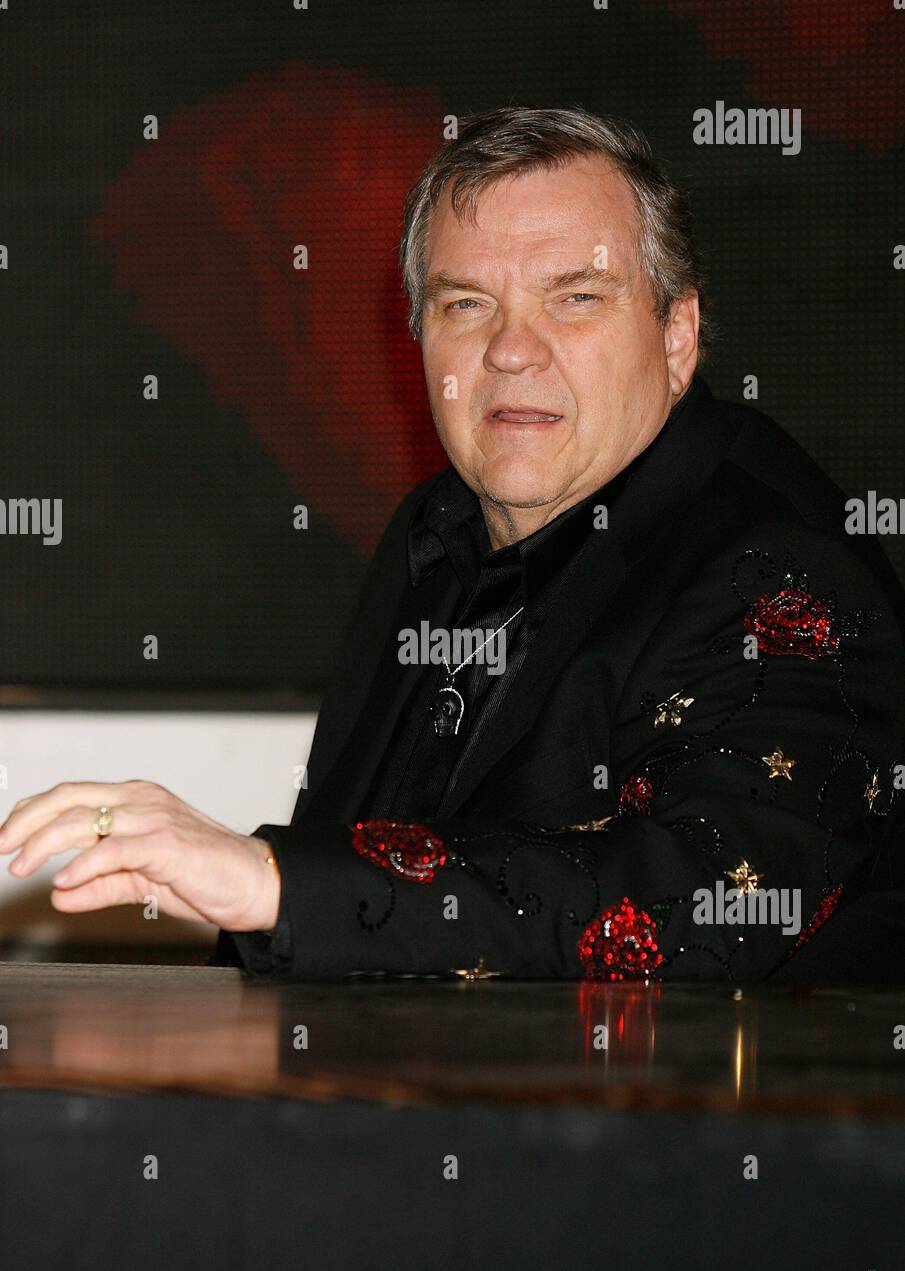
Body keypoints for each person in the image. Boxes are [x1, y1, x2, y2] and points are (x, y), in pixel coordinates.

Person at [2, 106, 904, 983]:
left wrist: (276, 883)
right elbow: (353, 896)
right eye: (466, 303)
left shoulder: (780, 567)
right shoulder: (437, 529)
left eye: (576, 299)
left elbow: (707, 905)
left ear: (677, 338)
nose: (511, 350)